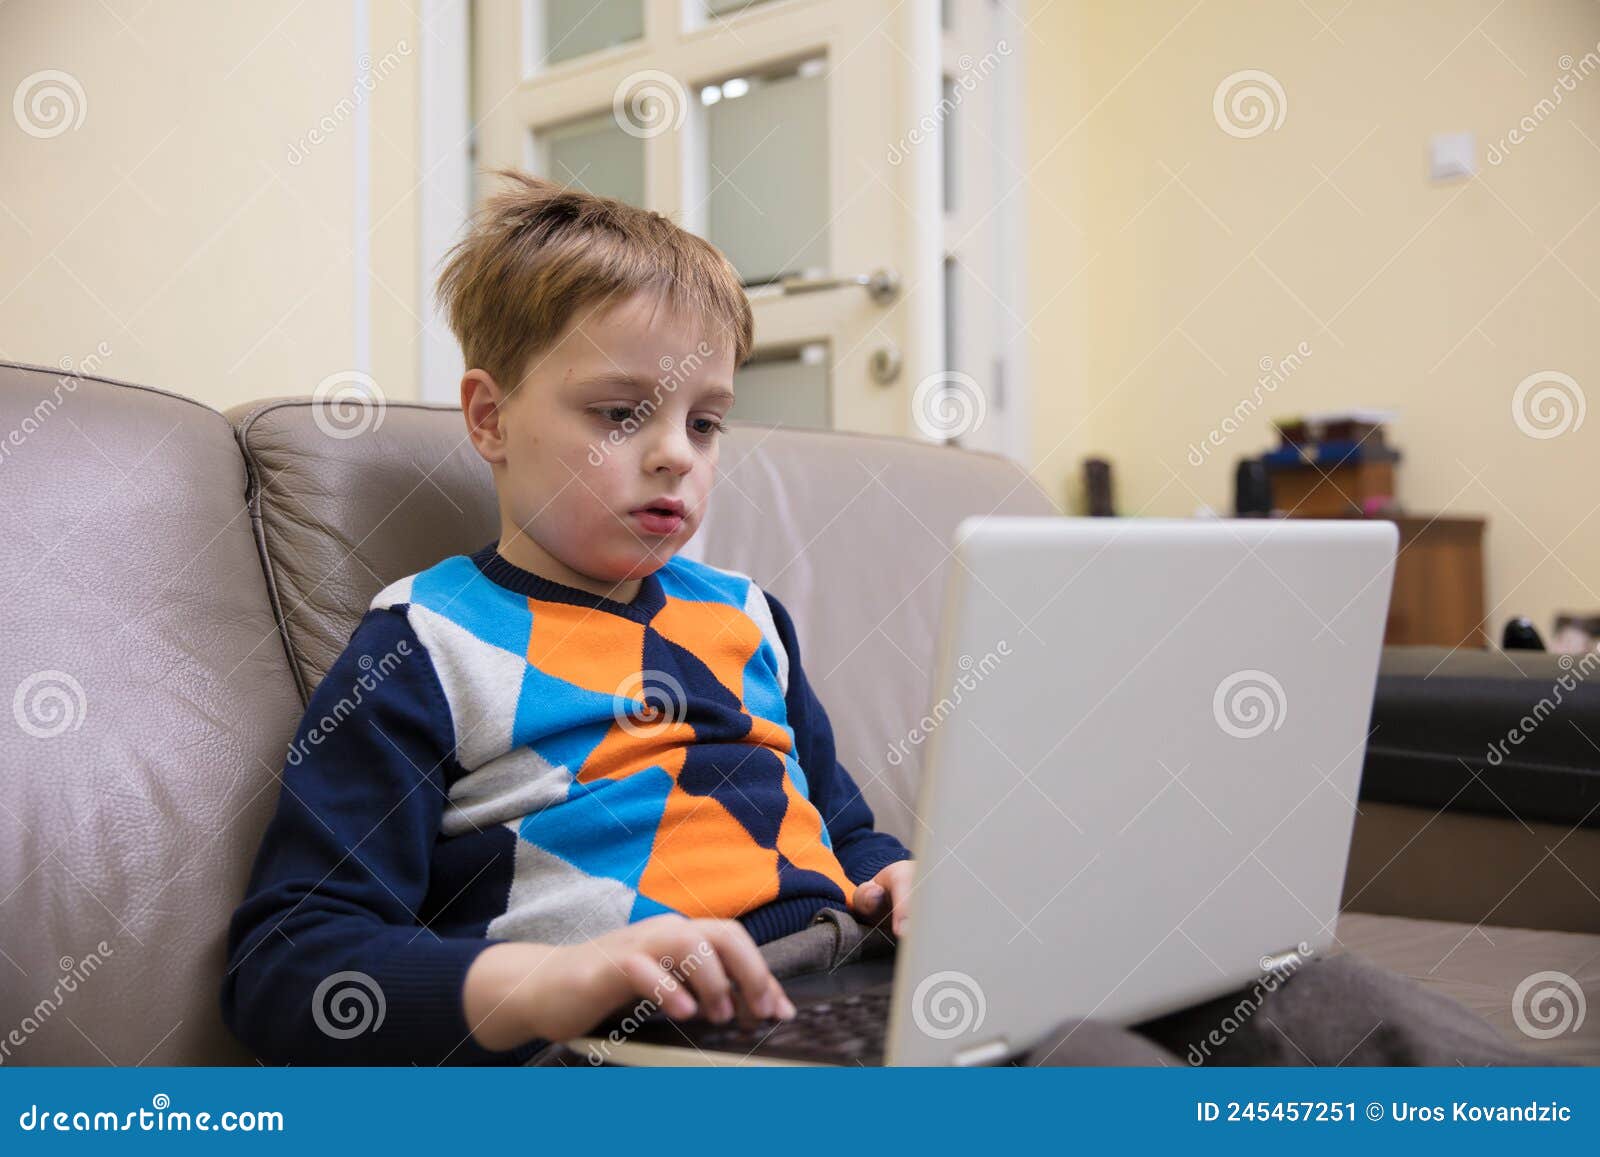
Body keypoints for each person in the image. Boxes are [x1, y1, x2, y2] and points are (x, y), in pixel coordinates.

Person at [220, 171, 1543, 1069]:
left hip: (860, 989)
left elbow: (838, 829)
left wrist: (913, 876)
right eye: (621, 412)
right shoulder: (423, 642)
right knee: (1086, 1066)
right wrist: (544, 982)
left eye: (705, 420)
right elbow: (293, 962)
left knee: (1310, 990)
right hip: (649, 1043)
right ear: (492, 417)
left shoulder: (750, 619)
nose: (676, 454)